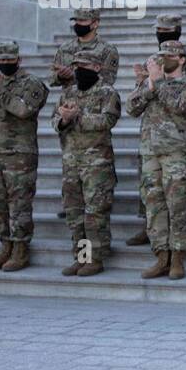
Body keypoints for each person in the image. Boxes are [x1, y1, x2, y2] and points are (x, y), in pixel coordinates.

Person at [127, 39, 186, 281]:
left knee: (178, 207)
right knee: (154, 206)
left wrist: (157, 82)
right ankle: (161, 257)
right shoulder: (152, 83)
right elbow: (131, 108)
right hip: (150, 152)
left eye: (169, 56)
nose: (163, 60)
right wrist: (149, 84)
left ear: (182, 59)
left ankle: (178, 258)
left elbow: (182, 107)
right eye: (160, 55)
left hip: (177, 153)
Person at [0, 41, 49, 273]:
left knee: (19, 203)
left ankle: (21, 249)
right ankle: (5, 247)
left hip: (19, 153)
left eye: (9, 60)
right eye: (1, 60)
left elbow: (23, 110)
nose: (5, 64)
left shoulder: (32, 84)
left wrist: (0, 90)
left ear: (19, 60)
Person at [52, 47, 121, 276]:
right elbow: (54, 121)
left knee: (95, 213)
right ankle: (81, 256)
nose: (80, 71)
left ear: (97, 68)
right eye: (77, 67)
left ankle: (96, 258)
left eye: (85, 67)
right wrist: (63, 120)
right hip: (71, 162)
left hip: (97, 163)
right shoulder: (68, 93)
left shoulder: (107, 93)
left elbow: (107, 120)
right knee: (74, 213)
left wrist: (77, 118)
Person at [50, 7, 119, 90]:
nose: (78, 24)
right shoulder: (65, 48)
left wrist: (77, 75)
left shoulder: (107, 50)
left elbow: (109, 80)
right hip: (69, 100)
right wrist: (59, 76)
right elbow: (51, 80)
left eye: (83, 21)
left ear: (95, 23)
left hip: (95, 100)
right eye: (76, 20)